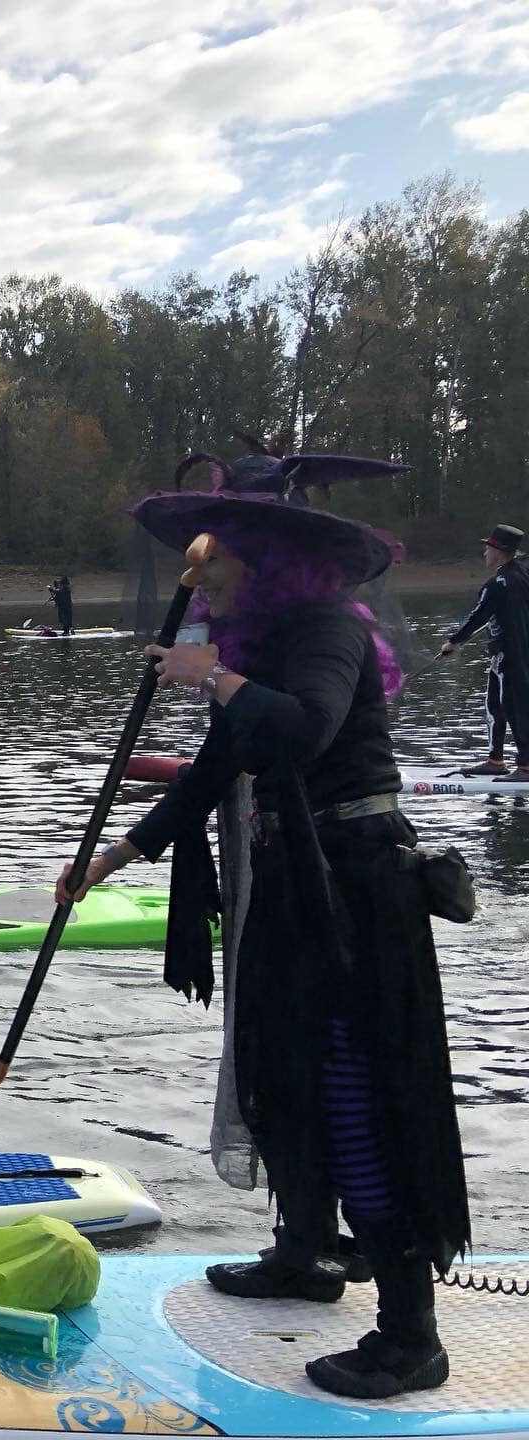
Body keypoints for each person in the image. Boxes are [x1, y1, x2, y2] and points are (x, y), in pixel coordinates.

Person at [58, 457, 469, 1400]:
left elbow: (306, 731)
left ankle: (411, 1334)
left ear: (267, 559)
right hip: (300, 890)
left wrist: (218, 676)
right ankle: (307, 1254)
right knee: (289, 1079)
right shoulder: (268, 639)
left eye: (220, 555)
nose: (204, 574)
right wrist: (108, 861)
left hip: (359, 895)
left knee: (358, 1091)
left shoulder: (327, 630)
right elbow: (213, 774)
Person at [439, 523, 529, 778]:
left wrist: (454, 641)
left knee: (514, 707)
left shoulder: (498, 584)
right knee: (495, 705)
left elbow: (477, 616)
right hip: (510, 655)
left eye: (488, 549)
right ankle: (495, 760)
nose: (484, 554)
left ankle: (525, 766)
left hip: (509, 655)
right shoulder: (522, 576)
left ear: (500, 551)